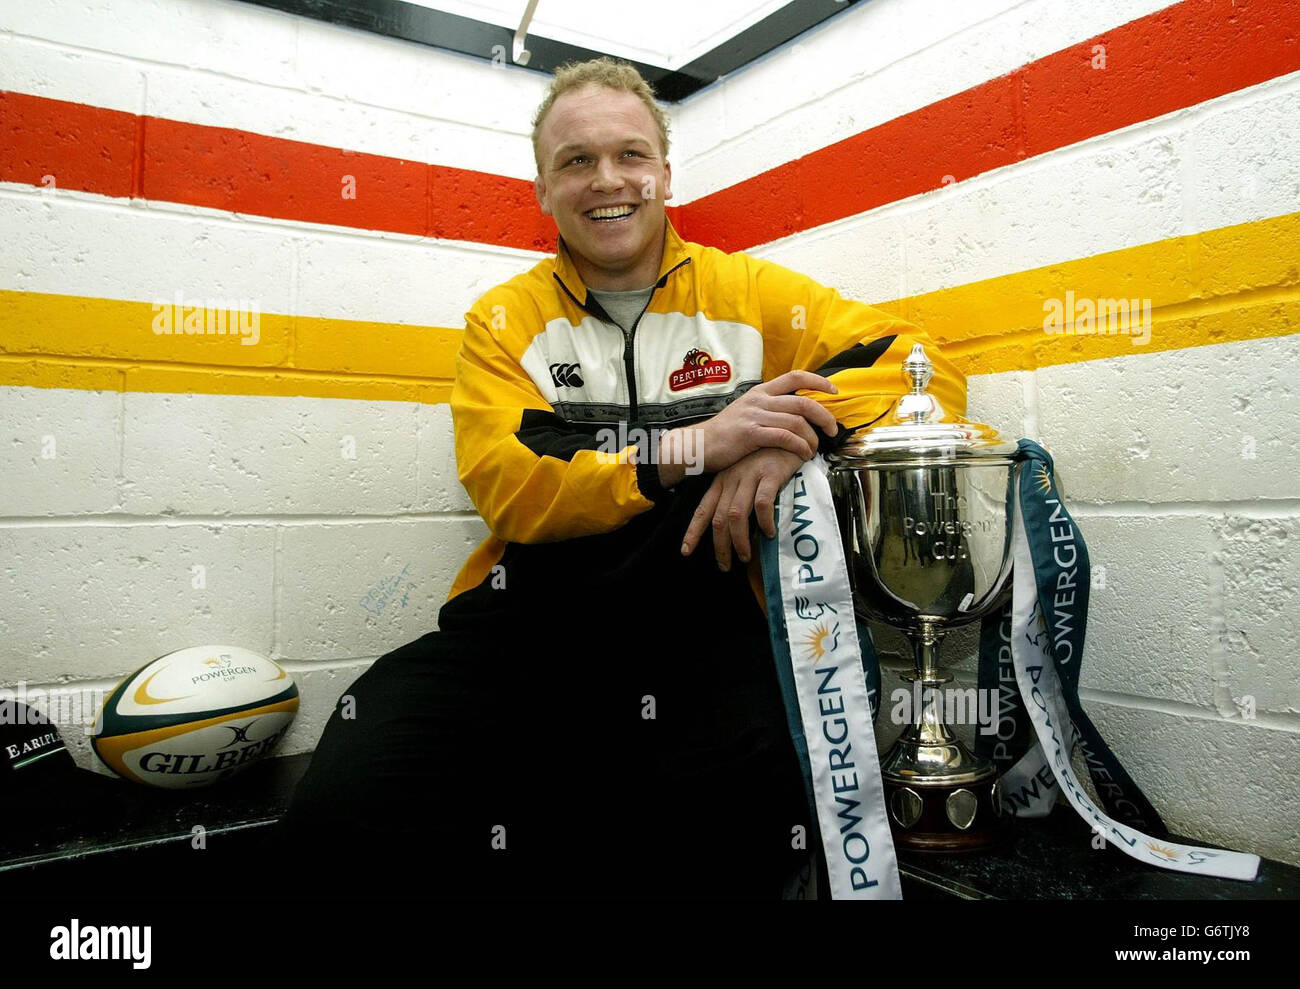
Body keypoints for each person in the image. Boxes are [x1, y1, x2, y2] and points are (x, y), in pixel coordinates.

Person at [277, 57, 965, 899]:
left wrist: (789, 440)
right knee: (341, 808)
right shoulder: (505, 321)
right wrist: (696, 444)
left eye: (630, 155)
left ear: (665, 174)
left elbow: (921, 364)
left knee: (730, 825)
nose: (608, 181)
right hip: (523, 630)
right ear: (541, 189)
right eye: (576, 161)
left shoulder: (748, 291)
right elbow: (511, 486)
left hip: (709, 633)